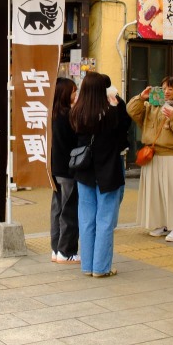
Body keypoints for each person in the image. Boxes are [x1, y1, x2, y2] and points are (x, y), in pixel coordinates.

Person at [70, 72, 132, 278]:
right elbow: (125, 131)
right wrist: (117, 103)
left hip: (84, 170)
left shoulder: (77, 112)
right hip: (108, 170)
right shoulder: (111, 112)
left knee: (86, 219)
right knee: (105, 219)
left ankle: (87, 265)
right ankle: (101, 267)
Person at [127, 76, 173, 242]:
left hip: (170, 156)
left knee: (172, 193)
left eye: (170, 89)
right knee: (155, 193)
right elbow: (131, 110)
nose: (166, 92)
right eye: (164, 88)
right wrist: (141, 97)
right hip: (152, 155)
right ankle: (161, 223)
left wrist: (172, 117)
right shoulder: (151, 107)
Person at [50, 77, 80, 263]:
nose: (75, 94)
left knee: (57, 209)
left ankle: (55, 249)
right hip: (68, 170)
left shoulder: (51, 114)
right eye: (73, 91)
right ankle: (66, 251)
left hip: (54, 169)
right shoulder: (70, 115)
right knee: (69, 210)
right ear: (65, 94)